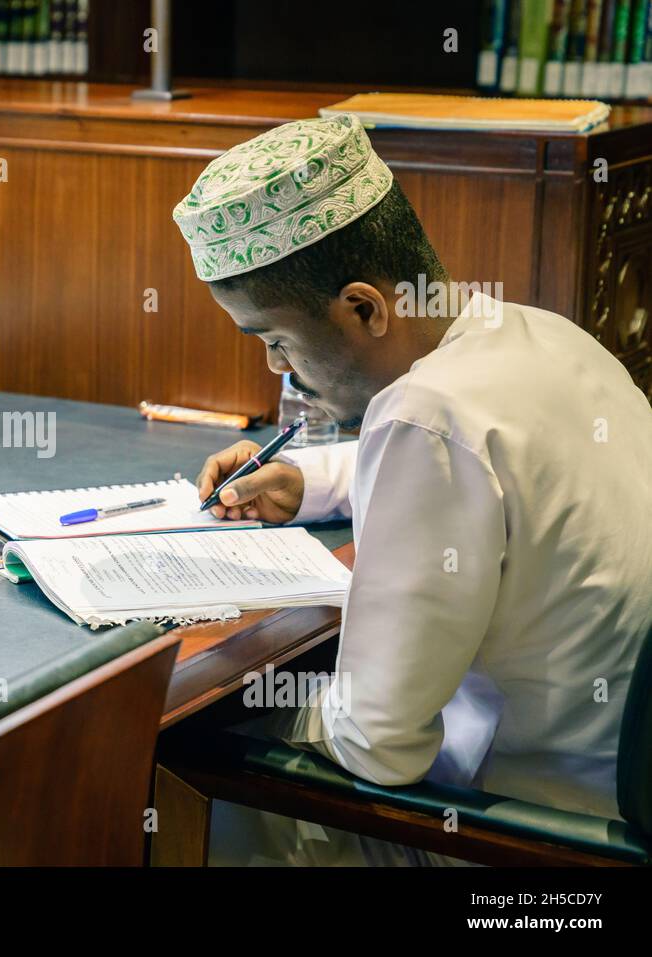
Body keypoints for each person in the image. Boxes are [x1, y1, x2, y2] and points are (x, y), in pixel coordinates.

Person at [173, 113, 652, 865]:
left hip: (527, 843)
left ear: (364, 307)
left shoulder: (425, 418)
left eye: (276, 339)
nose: (275, 368)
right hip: (611, 803)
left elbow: (378, 745)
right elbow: (477, 462)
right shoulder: (546, 336)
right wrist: (306, 482)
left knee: (192, 773)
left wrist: (246, 714)